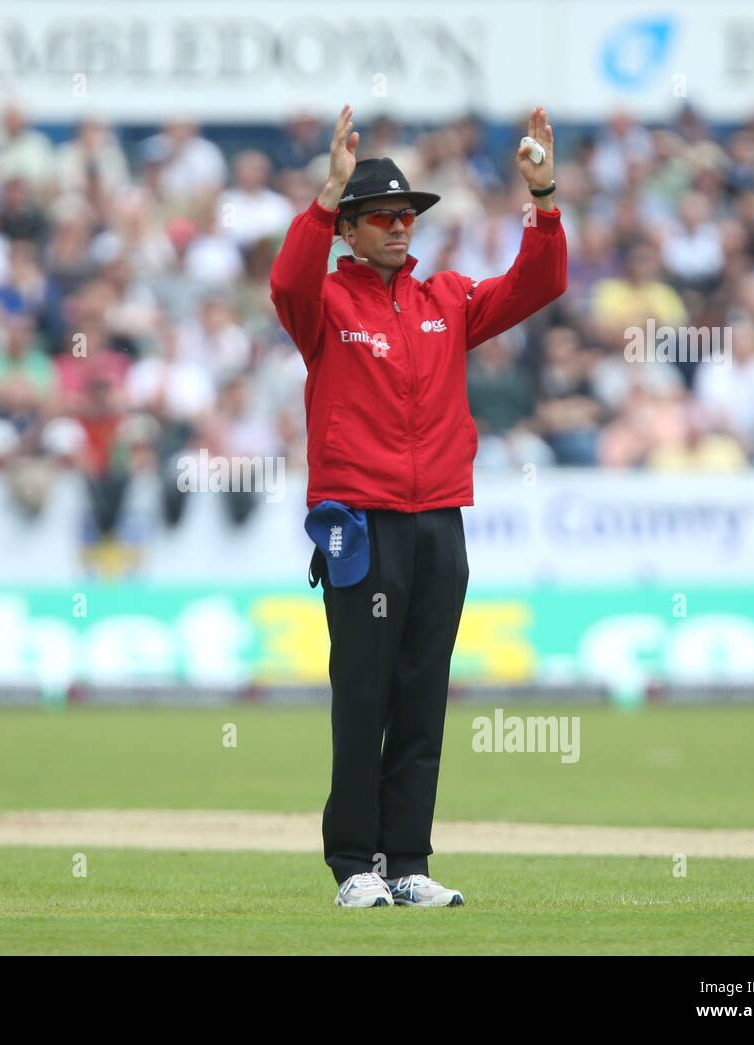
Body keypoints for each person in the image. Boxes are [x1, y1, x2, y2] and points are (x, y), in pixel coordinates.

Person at [270, 104, 567, 908]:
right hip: (360, 523)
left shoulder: (446, 298)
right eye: (383, 217)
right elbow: (285, 279)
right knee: (363, 695)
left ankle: (406, 862)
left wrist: (543, 199)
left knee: (422, 696)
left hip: (440, 520)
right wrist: (326, 193)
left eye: (407, 214)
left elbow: (539, 282)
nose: (401, 227)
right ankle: (353, 864)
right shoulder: (325, 306)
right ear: (349, 230)